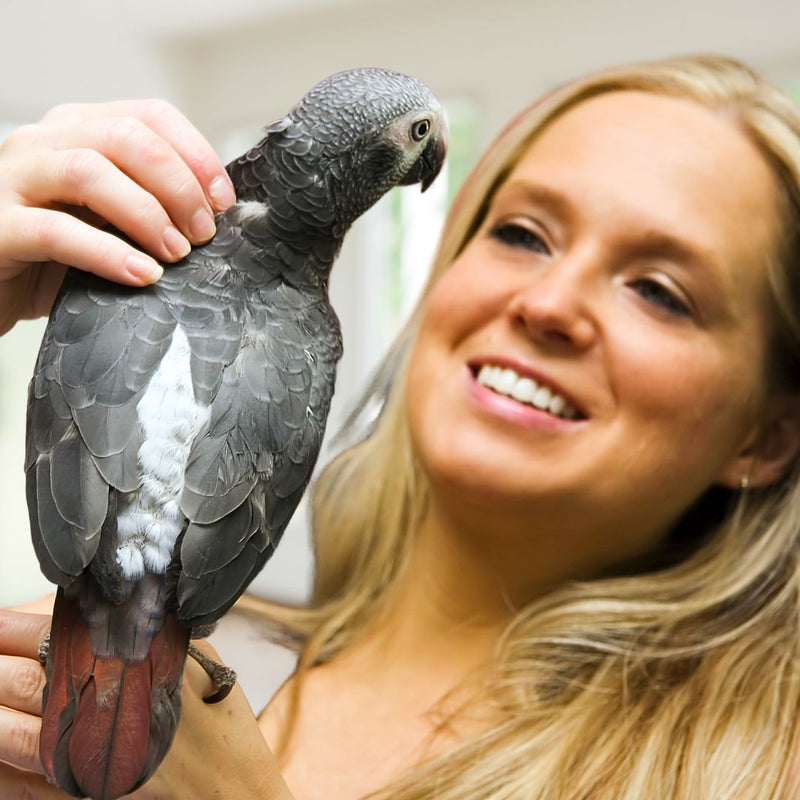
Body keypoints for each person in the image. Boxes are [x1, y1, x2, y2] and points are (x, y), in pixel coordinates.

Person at [2, 52, 800, 799]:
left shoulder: (760, 772)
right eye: (522, 235)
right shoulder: (92, 634)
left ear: (764, 436)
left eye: (659, 291)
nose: (549, 305)